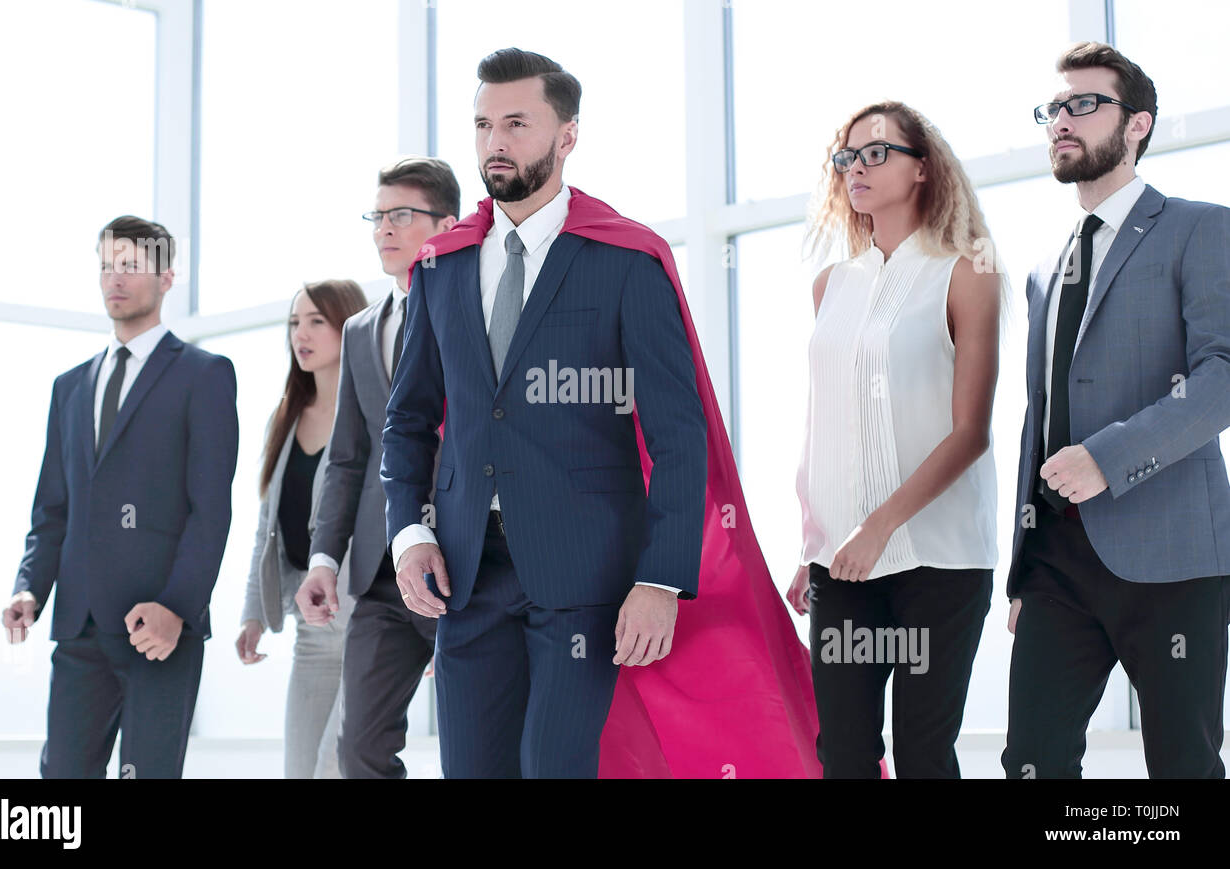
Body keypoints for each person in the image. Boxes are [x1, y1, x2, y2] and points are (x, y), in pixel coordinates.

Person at [382, 47, 829, 780]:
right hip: (466, 575)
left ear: (567, 136)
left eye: (517, 124)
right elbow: (408, 421)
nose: (496, 142)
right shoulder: (442, 264)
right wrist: (408, 533)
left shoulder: (625, 259)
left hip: (585, 581)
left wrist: (661, 580)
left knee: (554, 765)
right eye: (484, 125)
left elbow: (678, 435)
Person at [1004, 42, 1230, 779]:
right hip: (1056, 562)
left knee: (1183, 766)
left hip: (1172, 553)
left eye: (1083, 104)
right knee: (1031, 761)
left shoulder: (1200, 228)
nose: (1061, 121)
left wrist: (1109, 458)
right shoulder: (1045, 269)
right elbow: (1039, 418)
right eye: (1053, 109)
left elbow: (1223, 375)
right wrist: (1023, 568)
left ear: (1138, 124)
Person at [789, 101, 1003, 778]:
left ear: (922, 169)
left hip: (940, 559)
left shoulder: (967, 272)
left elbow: (970, 432)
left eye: (877, 152)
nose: (857, 167)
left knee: (922, 755)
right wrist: (815, 544)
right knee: (844, 755)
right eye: (847, 156)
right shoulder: (831, 285)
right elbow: (825, 421)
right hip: (842, 563)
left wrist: (878, 526)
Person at [1, 215, 239, 778]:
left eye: (131, 265)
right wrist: (30, 586)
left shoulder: (204, 375)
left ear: (167, 277)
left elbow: (210, 510)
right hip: (78, 625)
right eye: (107, 265)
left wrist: (177, 606)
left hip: (157, 625)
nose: (116, 277)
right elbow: (52, 510)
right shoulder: (69, 387)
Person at [295, 158, 458, 778]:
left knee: (475, 745)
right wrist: (324, 559)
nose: (384, 229)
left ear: (445, 225)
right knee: (359, 749)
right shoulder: (361, 330)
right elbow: (348, 459)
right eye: (378, 216)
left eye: (402, 215)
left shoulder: (470, 313)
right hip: (380, 577)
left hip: (462, 567)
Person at [236, 279, 366, 778]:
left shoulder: (374, 414)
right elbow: (266, 529)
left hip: (367, 624)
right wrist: (253, 613)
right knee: (299, 770)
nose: (301, 334)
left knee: (334, 767)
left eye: (316, 321)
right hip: (310, 630)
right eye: (294, 323)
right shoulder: (285, 417)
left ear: (349, 326)